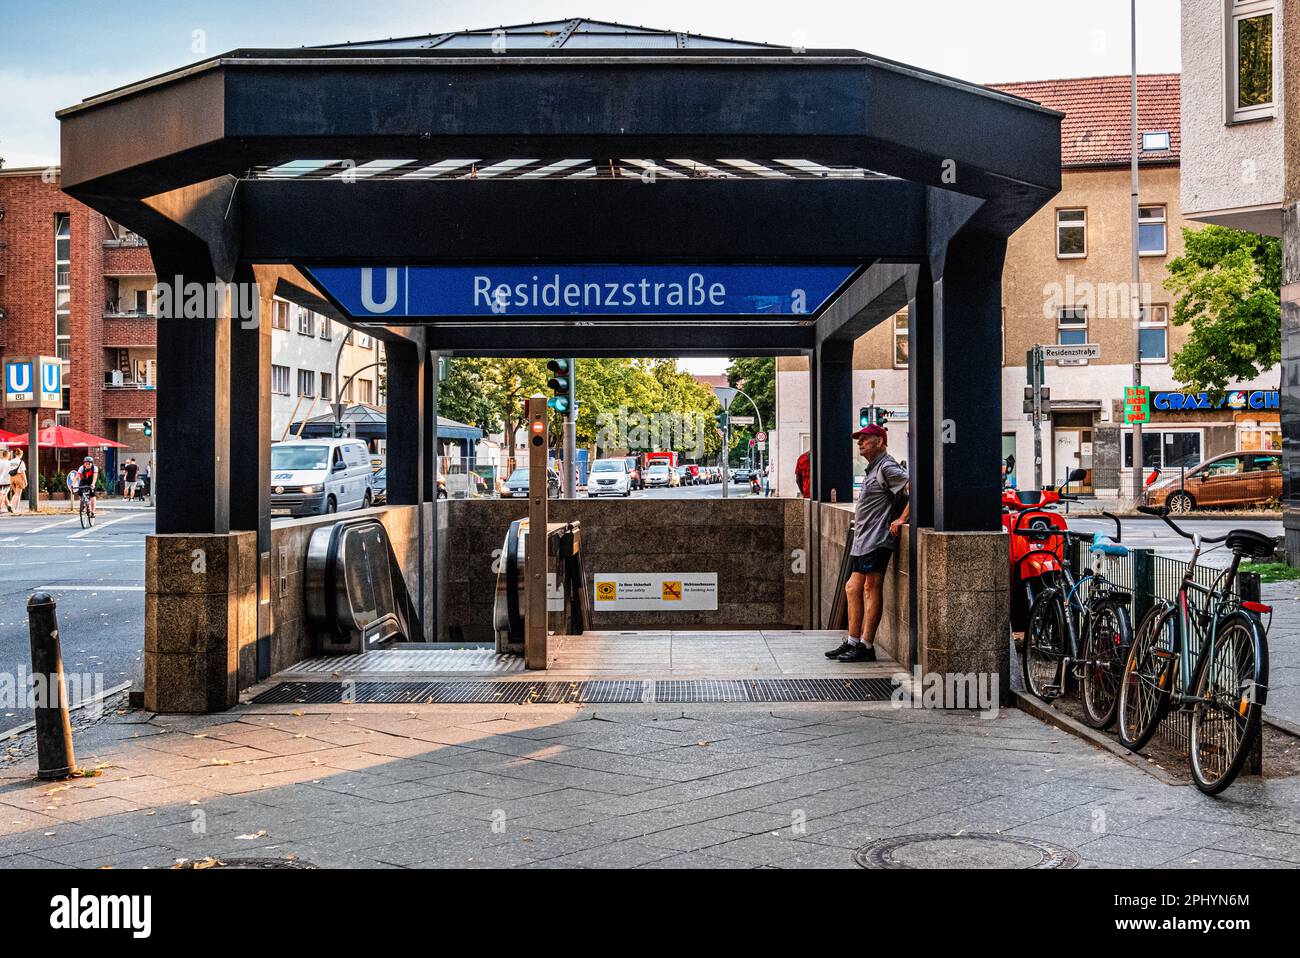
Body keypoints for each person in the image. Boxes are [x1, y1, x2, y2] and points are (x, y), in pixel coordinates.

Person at [826, 423, 908, 663]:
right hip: (863, 540)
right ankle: (852, 641)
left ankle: (866, 646)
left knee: (870, 588)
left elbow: (915, 489)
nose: (859, 443)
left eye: (864, 438)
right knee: (852, 588)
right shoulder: (874, 469)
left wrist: (902, 518)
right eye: (858, 439)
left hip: (877, 539)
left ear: (880, 442)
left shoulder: (888, 467)